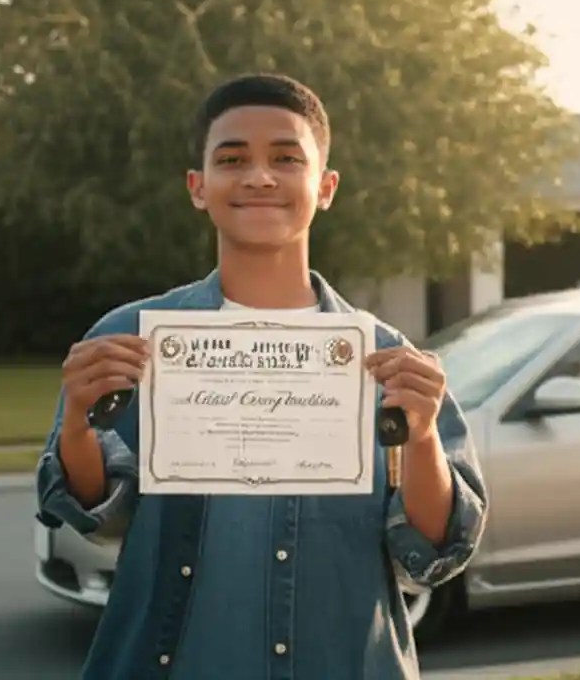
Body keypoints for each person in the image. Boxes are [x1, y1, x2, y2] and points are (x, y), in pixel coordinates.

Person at [34, 73, 488, 680]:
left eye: (285, 157)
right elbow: (98, 516)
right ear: (198, 187)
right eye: (232, 159)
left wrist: (424, 437)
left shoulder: (384, 359)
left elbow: (433, 552)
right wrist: (77, 428)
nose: (259, 177)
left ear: (325, 187)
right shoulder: (131, 339)